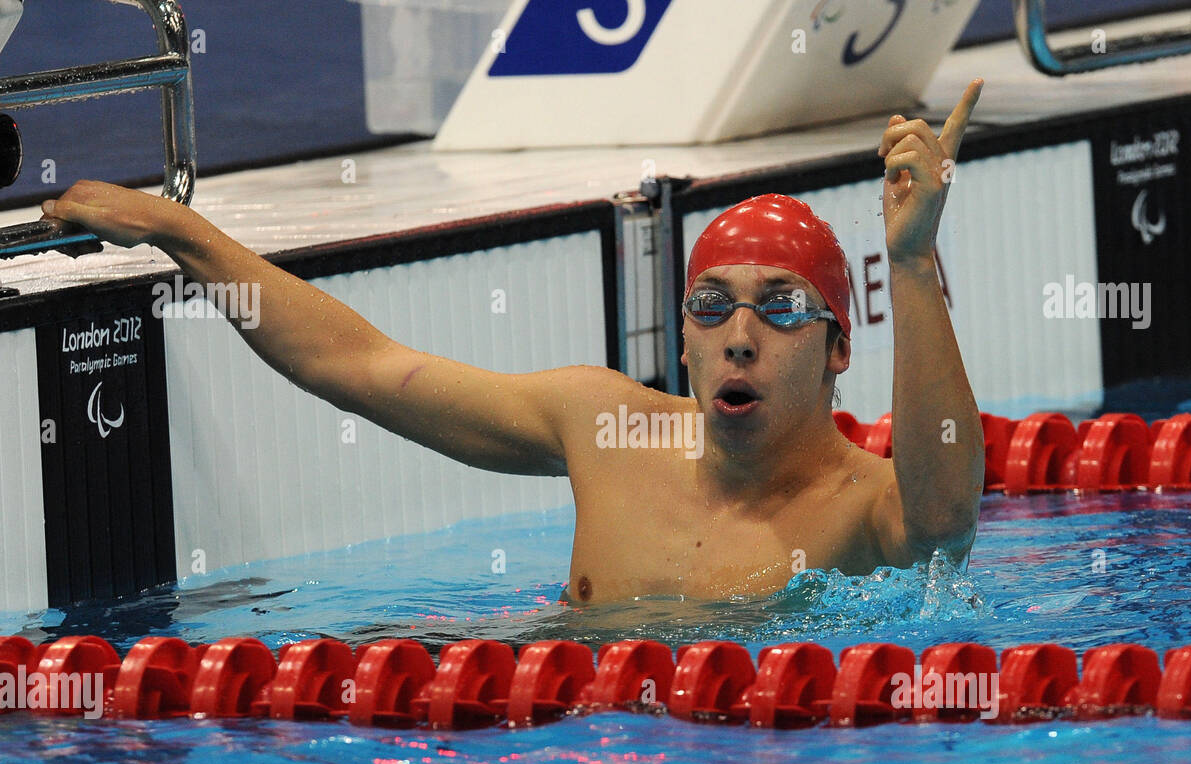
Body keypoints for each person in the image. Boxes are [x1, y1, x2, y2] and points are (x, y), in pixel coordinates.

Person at [40, 80, 987, 607]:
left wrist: (910, 261)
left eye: (782, 308)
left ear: (836, 351)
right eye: (710, 305)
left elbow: (944, 518)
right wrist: (183, 232)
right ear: (685, 345)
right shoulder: (605, 429)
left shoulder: (868, 510)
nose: (740, 336)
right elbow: (360, 367)